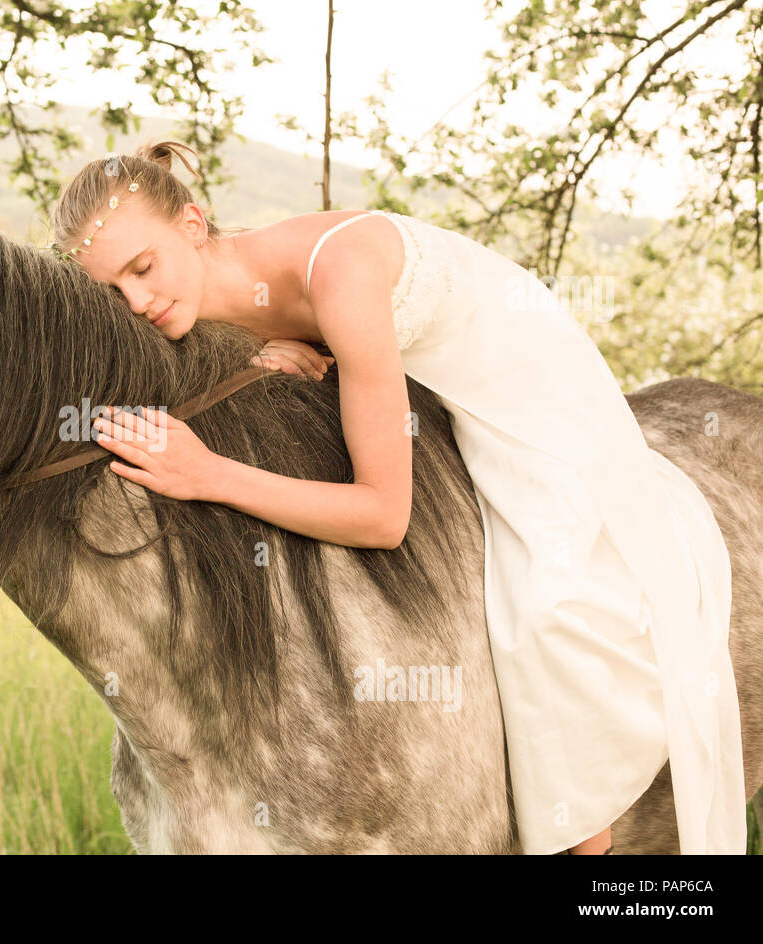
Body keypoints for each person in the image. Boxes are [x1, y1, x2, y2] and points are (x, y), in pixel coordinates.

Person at [49, 141, 746, 855]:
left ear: (193, 225)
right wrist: (266, 351)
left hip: (523, 388)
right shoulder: (198, 304)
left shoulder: (341, 275)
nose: (137, 301)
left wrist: (207, 475)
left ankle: (587, 848)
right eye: (113, 291)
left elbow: (384, 516)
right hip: (440, 388)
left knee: (547, 605)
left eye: (143, 267)